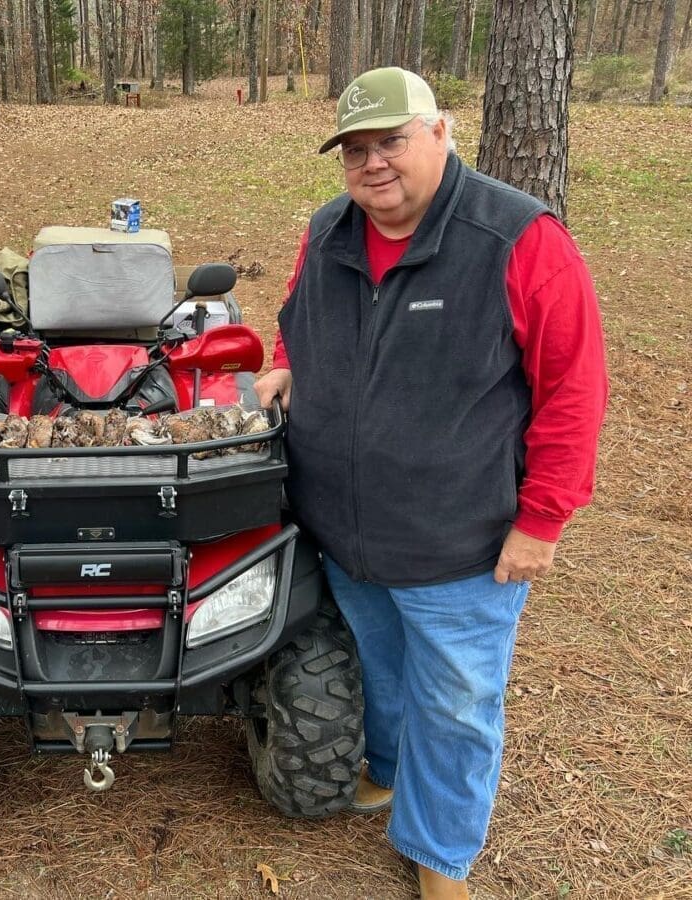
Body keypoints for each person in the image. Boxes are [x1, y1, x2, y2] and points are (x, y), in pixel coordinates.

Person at [253, 68, 608, 899]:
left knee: (455, 702)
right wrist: (286, 365)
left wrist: (542, 519)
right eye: (355, 150)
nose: (373, 163)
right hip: (343, 530)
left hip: (458, 539)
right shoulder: (329, 229)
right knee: (379, 668)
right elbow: (301, 318)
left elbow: (574, 388)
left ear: (441, 132)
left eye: (392, 141)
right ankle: (385, 770)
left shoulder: (518, 239)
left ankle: (440, 855)